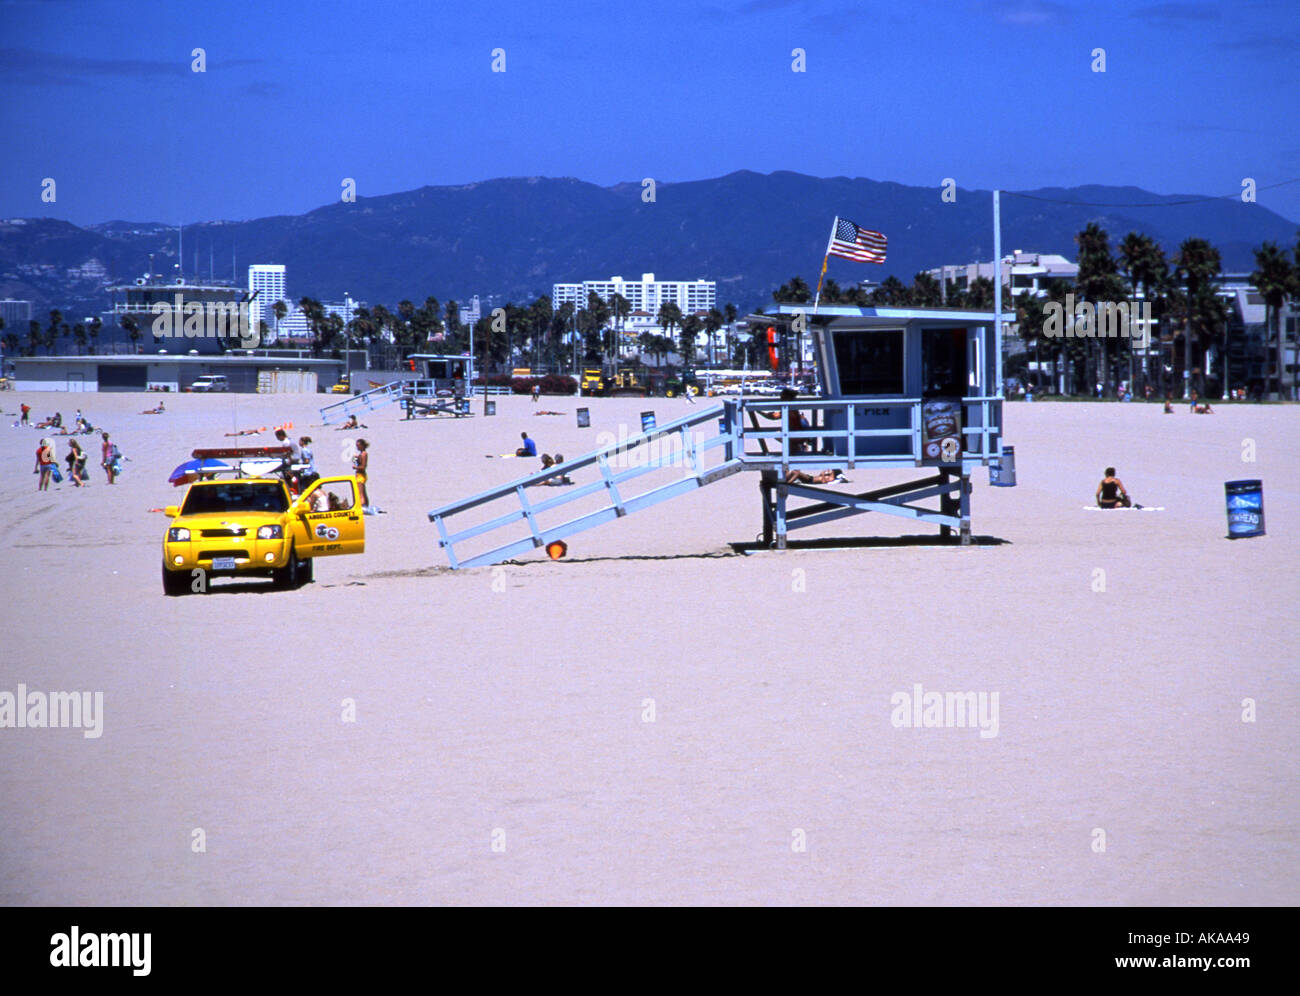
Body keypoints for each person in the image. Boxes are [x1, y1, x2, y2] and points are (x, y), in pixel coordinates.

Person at [351, 439, 370, 509]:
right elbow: (356, 461)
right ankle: (366, 505)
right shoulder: (361, 454)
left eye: (358, 446)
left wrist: (356, 467)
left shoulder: (364, 454)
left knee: (360, 493)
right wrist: (355, 458)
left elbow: (363, 466)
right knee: (363, 492)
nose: (357, 447)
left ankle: (362, 506)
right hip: (360, 475)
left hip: (361, 475)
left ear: (362, 445)